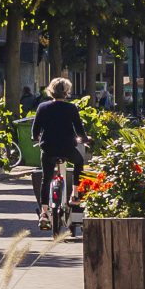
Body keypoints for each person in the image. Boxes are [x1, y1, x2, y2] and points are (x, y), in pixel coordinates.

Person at [30, 76, 88, 229]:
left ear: (51, 91)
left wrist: (36, 138)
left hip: (48, 148)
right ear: (67, 92)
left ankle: (44, 213)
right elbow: (80, 131)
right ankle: (75, 194)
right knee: (79, 162)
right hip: (67, 148)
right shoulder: (71, 108)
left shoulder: (42, 107)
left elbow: (35, 130)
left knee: (46, 179)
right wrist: (85, 139)